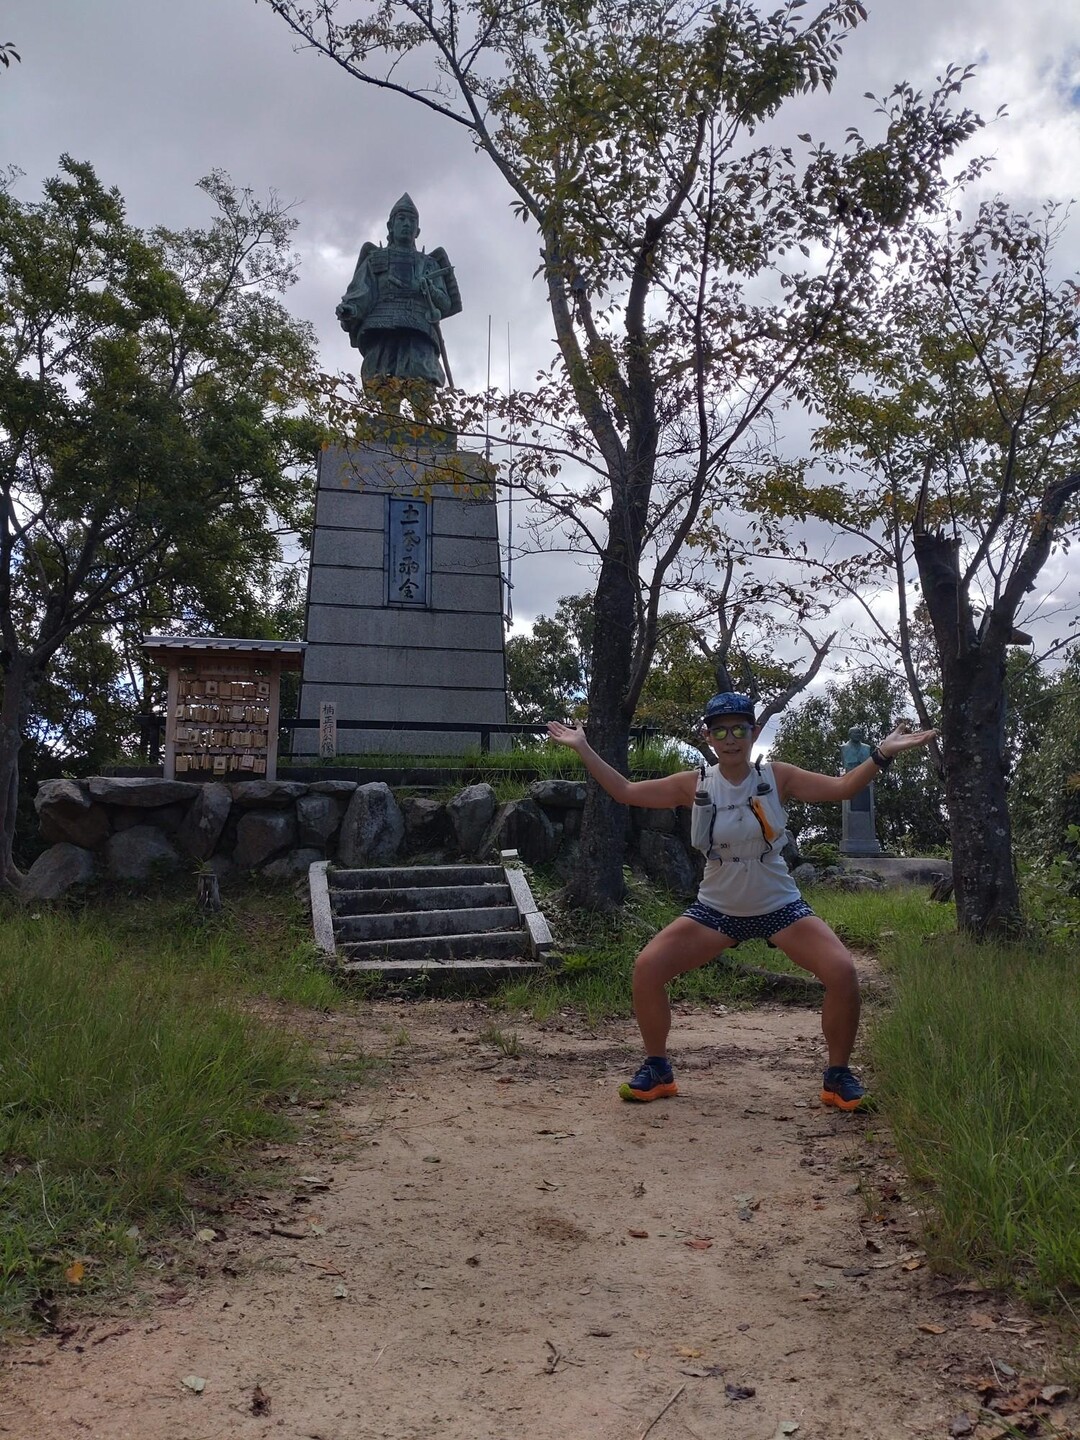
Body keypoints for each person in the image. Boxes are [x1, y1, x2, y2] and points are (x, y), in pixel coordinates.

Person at [546, 693, 937, 1111]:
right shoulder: (694, 782)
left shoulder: (776, 776)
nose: (730, 738)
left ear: (753, 733)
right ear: (708, 737)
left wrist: (881, 754)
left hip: (778, 905)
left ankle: (837, 1076)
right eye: (720, 731)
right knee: (647, 968)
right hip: (717, 909)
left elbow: (843, 787)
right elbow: (624, 791)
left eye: (739, 729)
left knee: (841, 971)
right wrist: (584, 747)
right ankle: (658, 1069)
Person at [336, 192, 461, 392]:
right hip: (381, 327)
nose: (406, 224)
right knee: (381, 389)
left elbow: (445, 305)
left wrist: (430, 290)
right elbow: (361, 293)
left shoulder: (429, 264)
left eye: (411, 221)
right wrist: (349, 309)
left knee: (422, 389)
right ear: (390, 226)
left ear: (417, 230)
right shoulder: (375, 259)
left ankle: (423, 423)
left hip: (419, 330)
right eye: (401, 219)